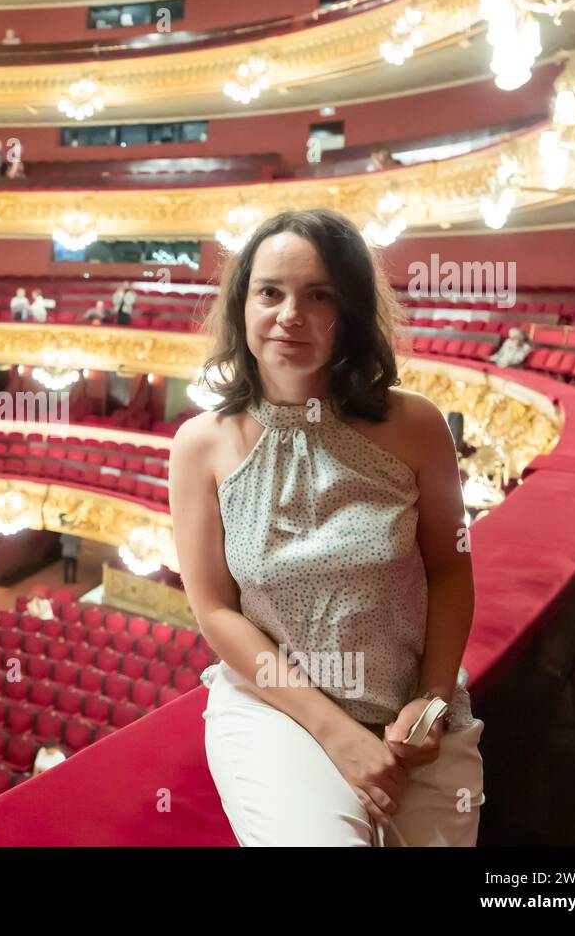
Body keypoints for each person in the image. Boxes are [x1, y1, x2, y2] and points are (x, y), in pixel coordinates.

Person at [169, 208, 483, 847]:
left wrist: (431, 699)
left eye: (320, 296)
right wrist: (335, 732)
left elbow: (451, 570)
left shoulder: (417, 426)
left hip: (410, 710)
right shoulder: (200, 445)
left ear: (352, 311)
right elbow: (215, 609)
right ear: (243, 306)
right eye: (270, 293)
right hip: (275, 707)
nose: (291, 315)